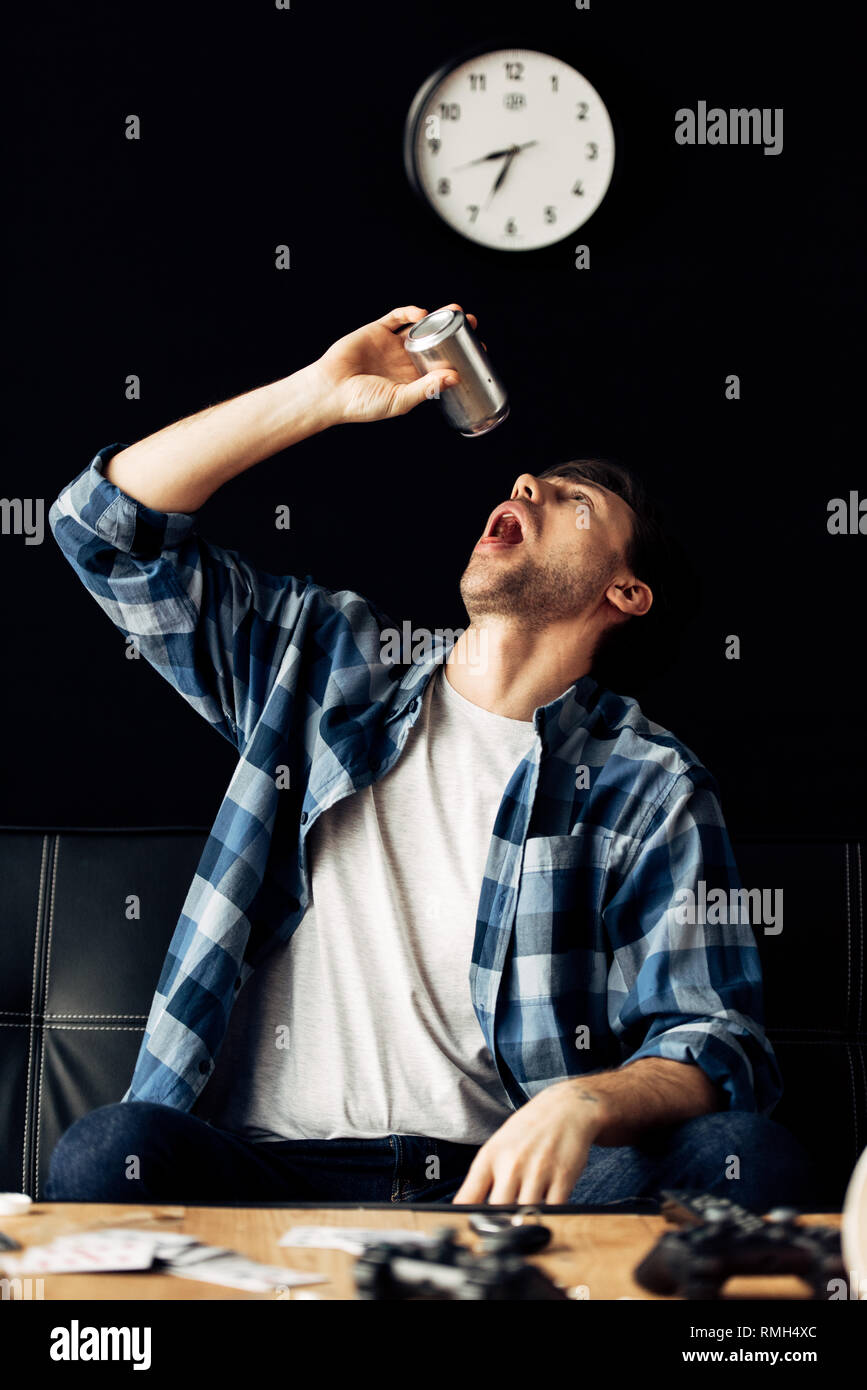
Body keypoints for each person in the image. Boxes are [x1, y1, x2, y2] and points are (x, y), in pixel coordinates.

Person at [45, 302, 812, 1209]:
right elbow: (100, 527)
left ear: (626, 591)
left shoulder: (647, 783)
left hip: (507, 1191)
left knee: (739, 1153)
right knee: (110, 1149)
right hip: (271, 1175)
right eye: (529, 481)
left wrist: (585, 1101)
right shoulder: (326, 669)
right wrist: (313, 397)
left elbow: (715, 1035)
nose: (524, 487)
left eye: (571, 500)